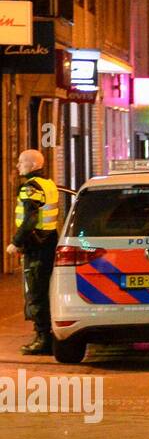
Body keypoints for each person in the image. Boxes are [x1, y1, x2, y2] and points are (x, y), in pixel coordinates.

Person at [6, 150, 60, 355]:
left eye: (21, 162)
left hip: (36, 246)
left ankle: (43, 339)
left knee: (36, 293)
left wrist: (15, 242)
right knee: (43, 291)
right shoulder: (49, 183)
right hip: (47, 243)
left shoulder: (30, 187)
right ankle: (47, 335)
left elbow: (30, 219)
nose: (18, 166)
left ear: (33, 165)